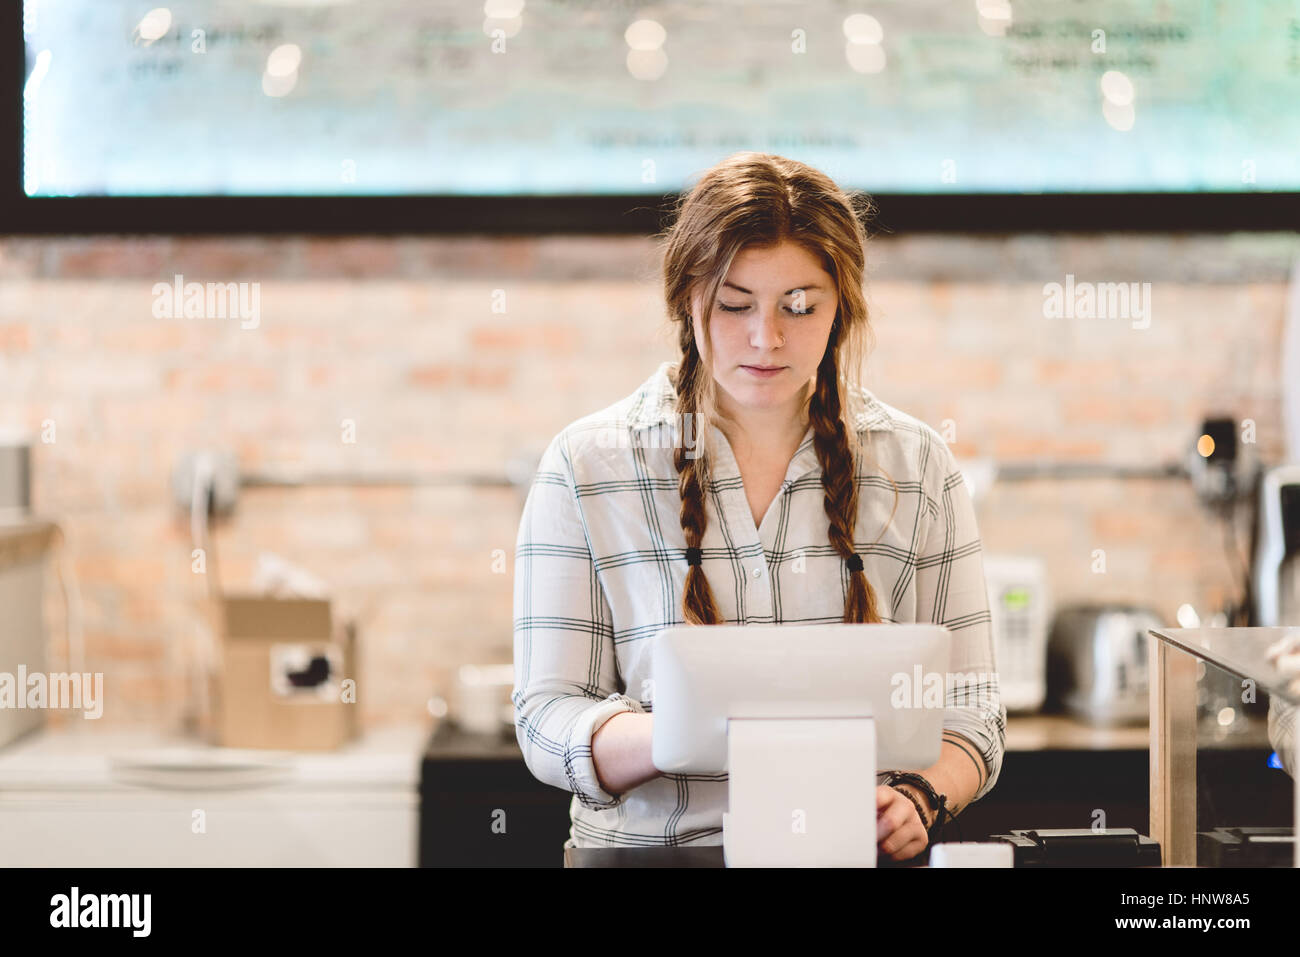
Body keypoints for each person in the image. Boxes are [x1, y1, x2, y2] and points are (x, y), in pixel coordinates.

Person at [512, 151, 1006, 861]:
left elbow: (972, 702)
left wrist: (922, 796)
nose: (766, 338)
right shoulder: (586, 465)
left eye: (800, 306)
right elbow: (546, 717)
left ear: (842, 307)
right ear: (688, 299)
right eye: (735, 304)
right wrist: (690, 727)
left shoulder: (919, 464)